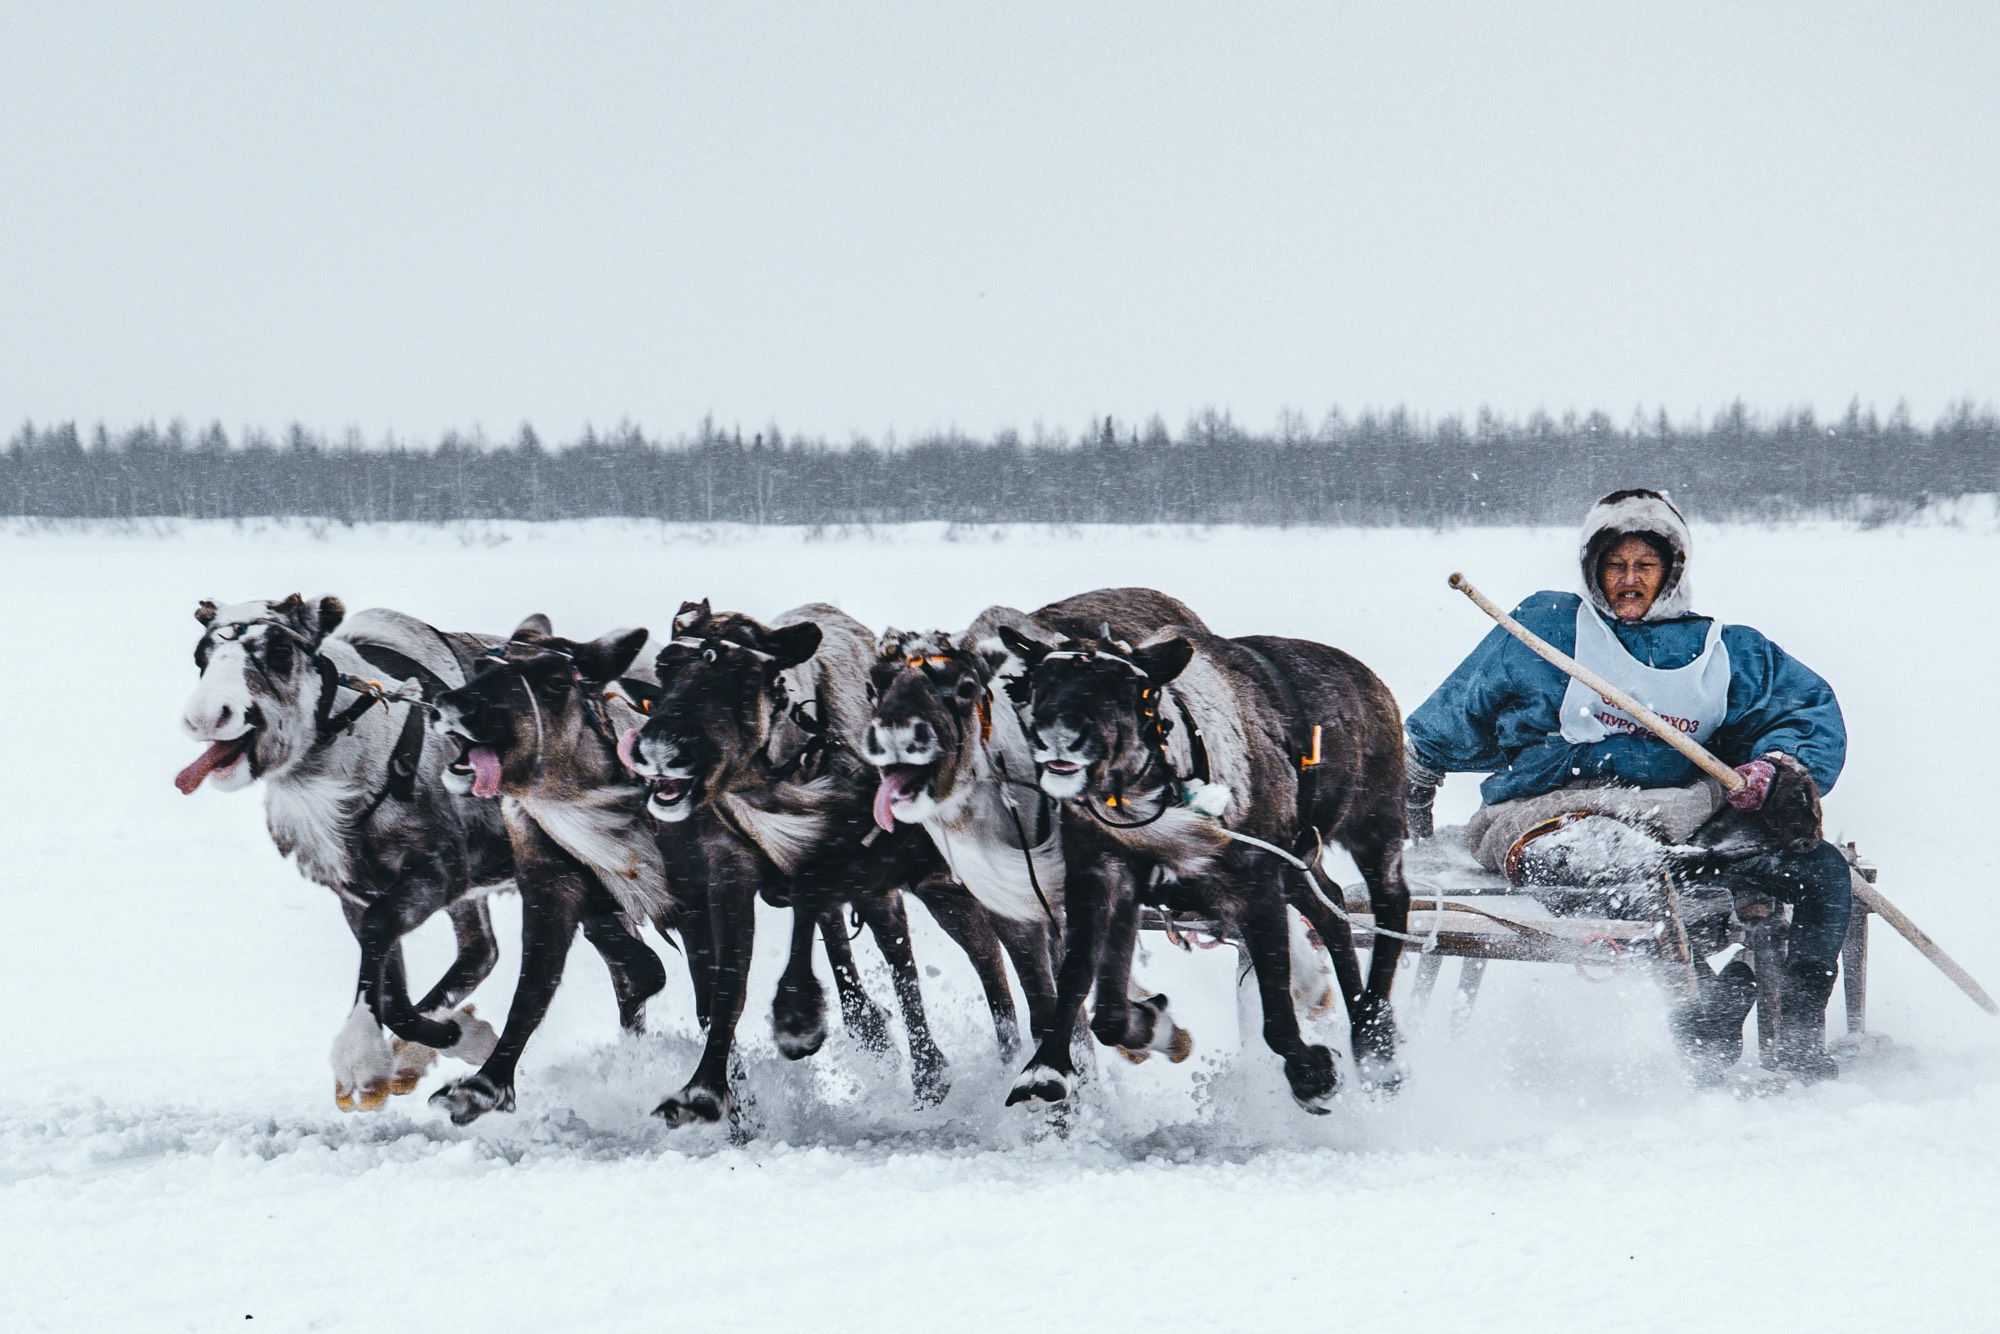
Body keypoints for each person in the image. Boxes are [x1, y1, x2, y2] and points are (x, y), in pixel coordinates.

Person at [1404, 488, 1852, 1081]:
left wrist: (1775, 768)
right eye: (1615, 565)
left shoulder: (1727, 652)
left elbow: (1807, 713)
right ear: (1594, 568)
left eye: (1646, 566)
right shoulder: (1547, 631)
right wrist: (1414, 776)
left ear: (1673, 570)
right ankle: (1700, 1011)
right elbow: (1455, 714)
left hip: (1686, 811)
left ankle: (1797, 1035)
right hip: (1549, 811)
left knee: (1821, 869)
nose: (1629, 581)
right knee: (1625, 868)